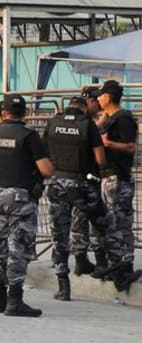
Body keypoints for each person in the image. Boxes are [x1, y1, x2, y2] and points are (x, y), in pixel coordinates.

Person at [43, 95, 132, 300]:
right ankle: (119, 275)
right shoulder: (87, 125)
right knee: (107, 227)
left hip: (57, 185)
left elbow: (44, 153)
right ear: (83, 108)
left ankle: (64, 288)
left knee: (59, 237)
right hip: (83, 185)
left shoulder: (53, 122)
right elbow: (100, 159)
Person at [0, 93, 54, 317]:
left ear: (3, 113)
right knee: (18, 248)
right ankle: (14, 301)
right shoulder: (29, 136)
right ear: (26, 113)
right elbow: (46, 171)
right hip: (21, 198)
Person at [93, 80, 139, 281]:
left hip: (120, 178)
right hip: (108, 176)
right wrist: (103, 117)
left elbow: (130, 147)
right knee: (111, 222)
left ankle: (126, 264)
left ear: (108, 97)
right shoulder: (110, 117)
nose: (98, 99)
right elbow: (94, 131)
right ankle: (117, 263)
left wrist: (108, 143)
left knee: (121, 222)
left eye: (101, 95)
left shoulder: (124, 119)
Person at [68, 86, 101, 276]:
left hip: (64, 180)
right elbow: (100, 157)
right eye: (95, 102)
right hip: (83, 180)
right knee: (86, 220)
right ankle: (89, 261)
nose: (98, 106)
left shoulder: (63, 121)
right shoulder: (86, 124)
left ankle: (76, 264)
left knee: (71, 223)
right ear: (87, 102)